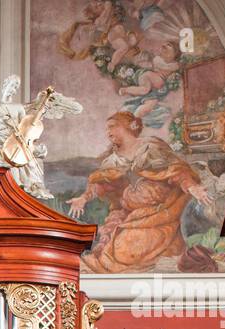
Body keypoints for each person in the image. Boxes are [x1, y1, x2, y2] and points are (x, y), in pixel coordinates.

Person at [67, 111, 212, 272]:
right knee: (116, 246)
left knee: (125, 248)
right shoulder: (112, 160)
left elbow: (175, 170)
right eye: (107, 129)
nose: (108, 132)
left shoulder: (151, 147)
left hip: (161, 211)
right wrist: (84, 198)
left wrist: (192, 187)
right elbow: (102, 184)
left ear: (131, 126)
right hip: (131, 212)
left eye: (112, 126)